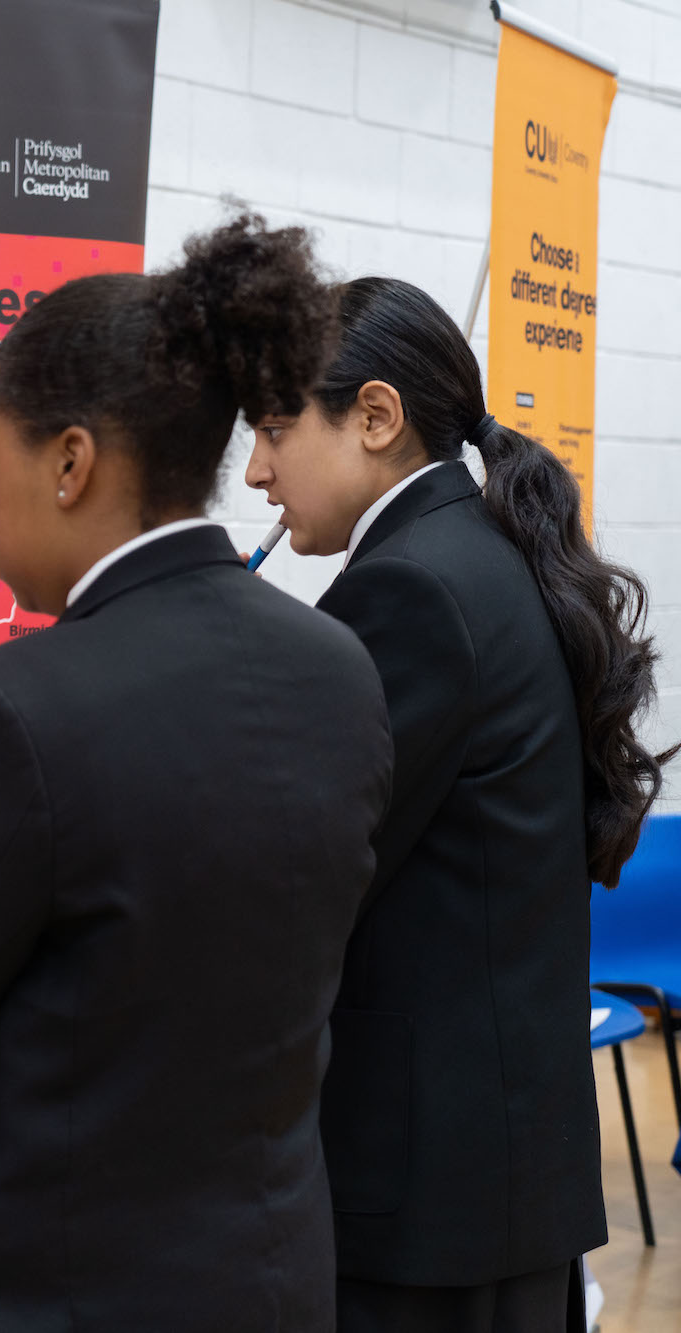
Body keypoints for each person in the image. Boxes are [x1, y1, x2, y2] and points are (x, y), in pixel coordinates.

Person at [0, 215, 395, 1332]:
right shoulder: (337, 670)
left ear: (69, 461)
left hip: (32, 1285)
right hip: (257, 1276)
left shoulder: (17, 708)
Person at [243, 276, 672, 1332]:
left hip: (429, 1180)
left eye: (271, 431)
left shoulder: (408, 588)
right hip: (487, 1161)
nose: (255, 472)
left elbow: (312, 862)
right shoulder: (477, 554)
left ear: (375, 418)